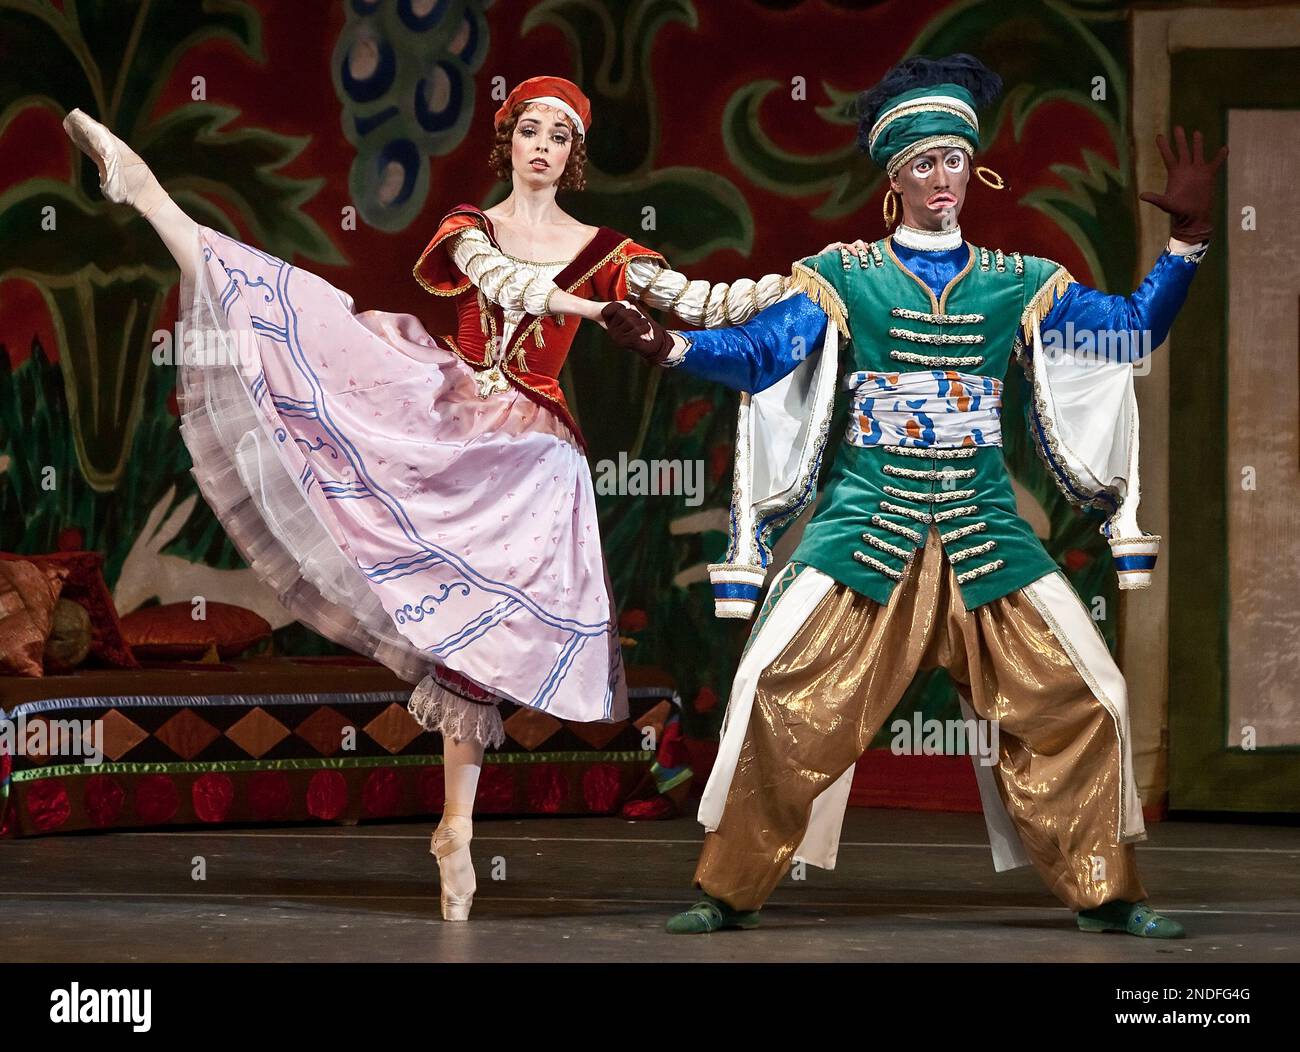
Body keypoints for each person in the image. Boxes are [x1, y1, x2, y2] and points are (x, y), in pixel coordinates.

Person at [62, 76, 795, 922]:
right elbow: (503, 282)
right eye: (530, 130)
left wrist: (801, 287)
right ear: (508, 141)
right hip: (447, 407)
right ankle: (149, 193)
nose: (543, 147)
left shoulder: (612, 252)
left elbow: (704, 302)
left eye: (560, 136)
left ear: (573, 155)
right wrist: (584, 307)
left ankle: (456, 826)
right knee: (291, 310)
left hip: (530, 455)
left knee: (476, 648)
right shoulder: (471, 228)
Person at [600, 53, 1225, 938]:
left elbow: (1126, 333)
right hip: (866, 528)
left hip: (984, 533)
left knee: (1094, 699)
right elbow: (759, 354)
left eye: (956, 161)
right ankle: (728, 887)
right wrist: (667, 347)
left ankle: (1107, 890)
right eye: (924, 163)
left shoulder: (1020, 279)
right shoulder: (842, 275)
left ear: (976, 169)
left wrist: (1189, 244)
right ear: (894, 176)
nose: (943, 179)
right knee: (772, 689)